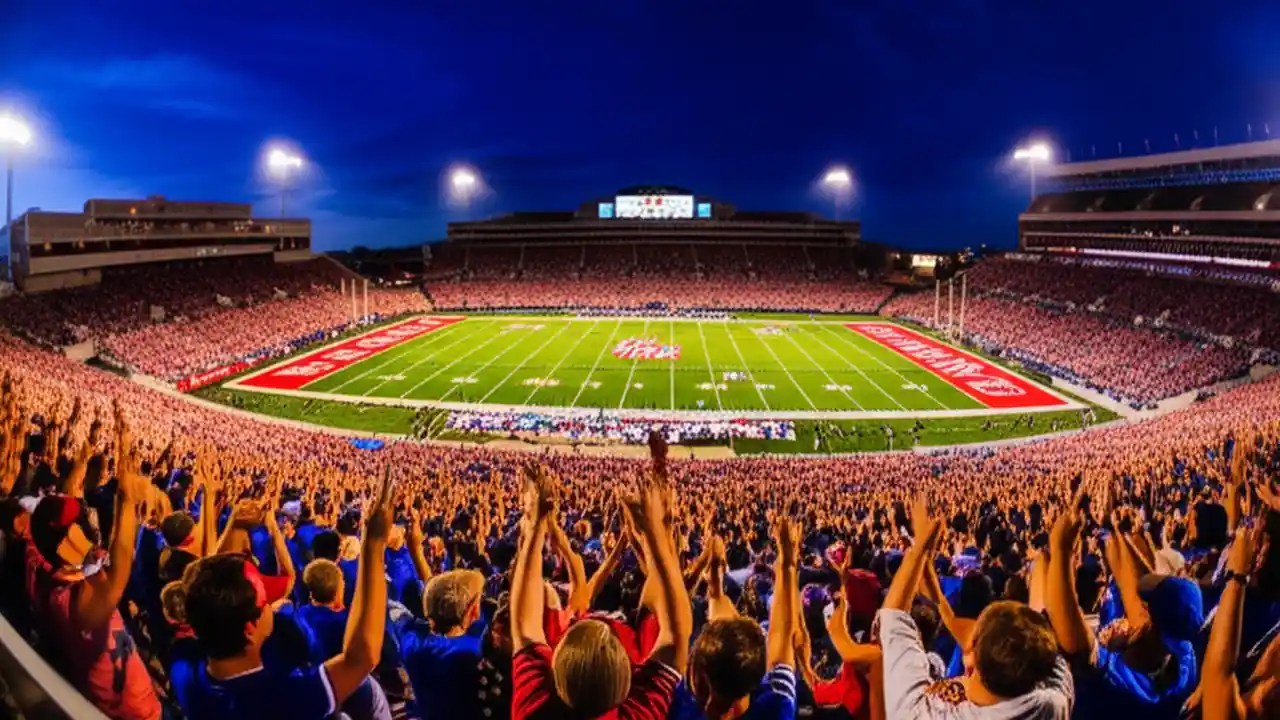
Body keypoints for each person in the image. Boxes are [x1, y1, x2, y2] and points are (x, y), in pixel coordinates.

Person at [177, 467, 395, 720]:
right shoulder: (286, 697)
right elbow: (362, 657)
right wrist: (373, 543)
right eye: (265, 602)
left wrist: (235, 524)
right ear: (250, 629)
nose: (273, 603)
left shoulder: (186, 669)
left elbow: (205, 588)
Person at [878, 495, 1072, 718]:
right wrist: (1059, 553)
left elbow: (894, 622)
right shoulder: (1052, 704)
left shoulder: (923, 715)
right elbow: (1035, 632)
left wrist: (919, 549)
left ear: (973, 650)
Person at [24, 409, 162, 720]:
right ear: (70, 539)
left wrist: (123, 447)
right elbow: (119, 573)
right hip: (131, 713)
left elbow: (65, 502)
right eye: (80, 521)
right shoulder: (75, 602)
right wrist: (127, 502)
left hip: (132, 694)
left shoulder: (51, 567)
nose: (87, 519)